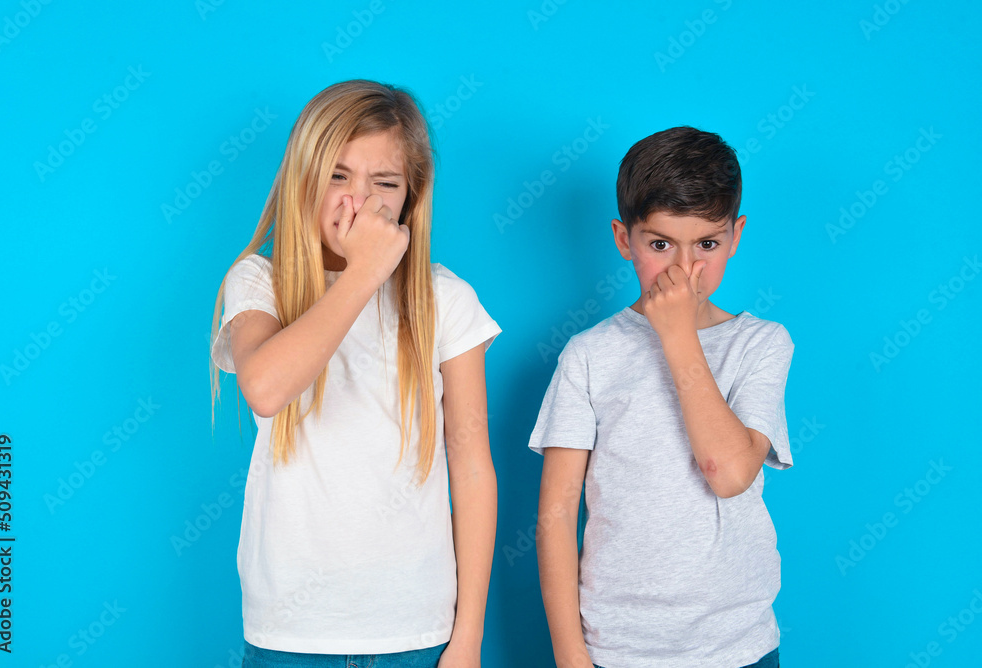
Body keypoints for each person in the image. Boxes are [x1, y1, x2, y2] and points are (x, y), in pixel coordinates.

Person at [208, 79, 500, 668]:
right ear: (304, 179)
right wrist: (365, 273)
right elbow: (265, 388)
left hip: (417, 628)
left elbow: (471, 468)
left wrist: (467, 638)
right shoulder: (259, 283)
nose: (359, 202)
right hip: (292, 630)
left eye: (384, 183)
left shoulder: (446, 300)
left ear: (410, 197)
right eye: (337, 176)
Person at [529, 126, 794, 668]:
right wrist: (570, 655)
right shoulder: (588, 355)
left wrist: (677, 334)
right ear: (623, 239)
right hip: (620, 649)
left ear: (735, 236)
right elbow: (555, 516)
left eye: (707, 244)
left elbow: (727, 472)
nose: (682, 268)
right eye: (659, 244)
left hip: (737, 645)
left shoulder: (761, 344)